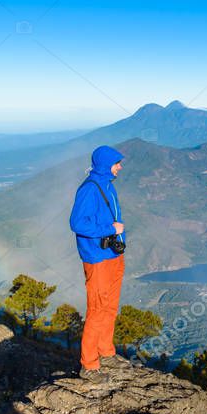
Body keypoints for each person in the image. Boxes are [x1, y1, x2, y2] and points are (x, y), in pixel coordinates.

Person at [69, 145, 128, 382]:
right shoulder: (89, 190)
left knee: (110, 306)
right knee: (96, 309)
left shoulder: (107, 186)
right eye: (117, 163)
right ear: (106, 164)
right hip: (98, 258)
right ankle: (89, 365)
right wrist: (109, 229)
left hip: (114, 255)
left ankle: (106, 352)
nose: (120, 167)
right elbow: (77, 223)